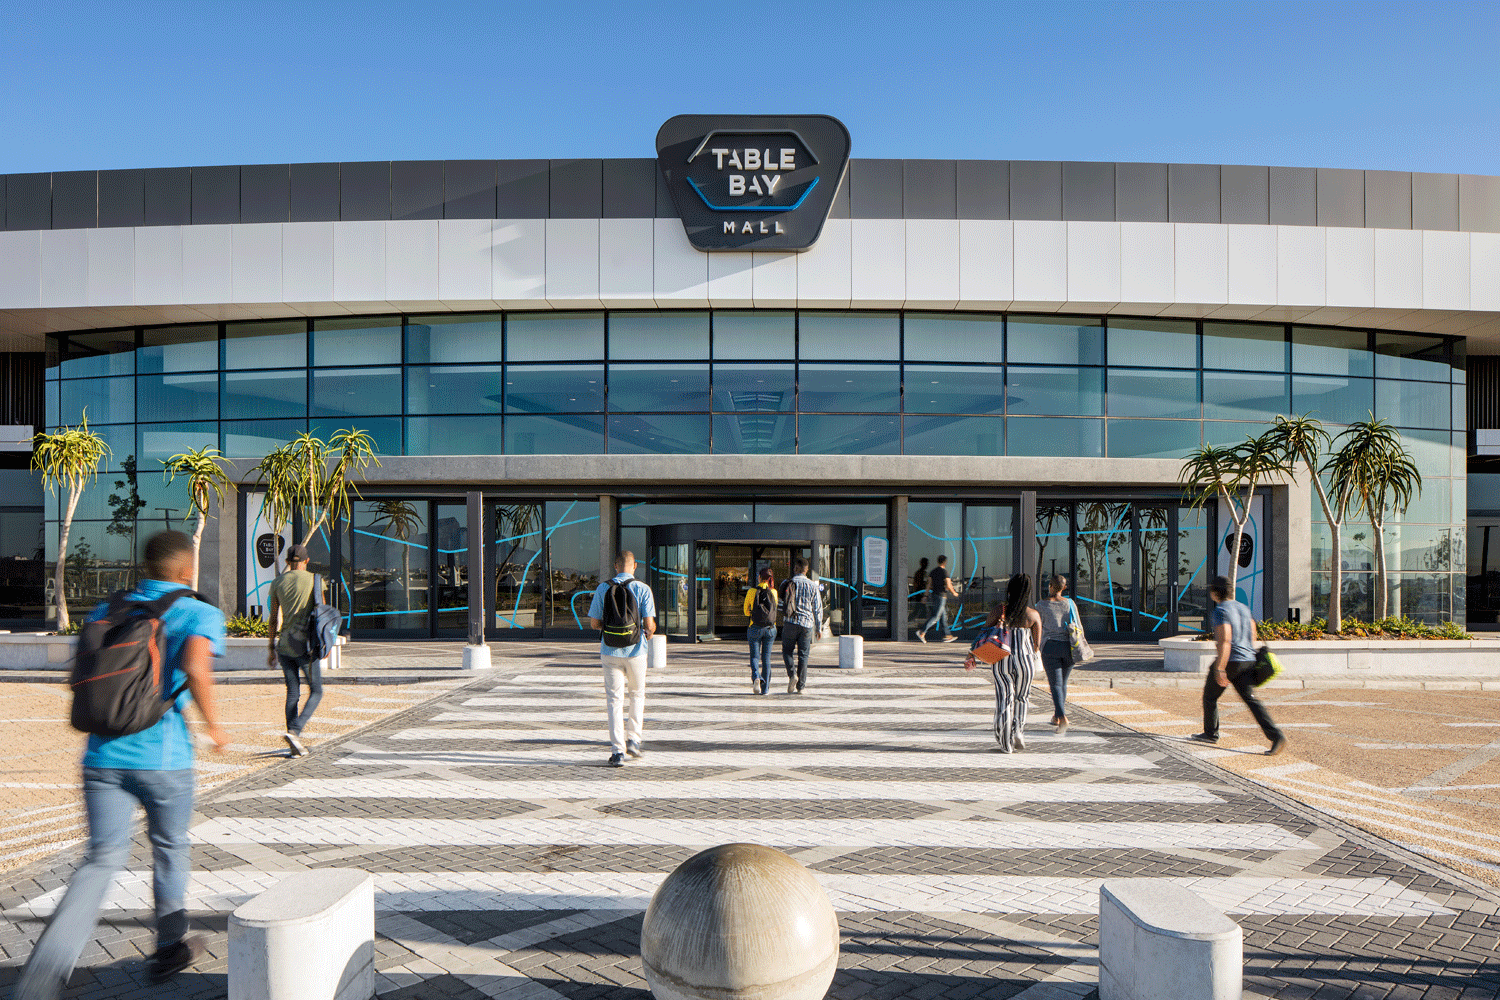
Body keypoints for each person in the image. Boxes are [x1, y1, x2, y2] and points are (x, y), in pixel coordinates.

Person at [15, 531, 228, 1000]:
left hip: (102, 756)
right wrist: (215, 727)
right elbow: (196, 668)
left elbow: (81, 676)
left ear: (147, 567)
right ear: (186, 569)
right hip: (164, 759)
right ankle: (170, 947)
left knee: (101, 859)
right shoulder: (199, 611)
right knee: (170, 846)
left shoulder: (108, 609)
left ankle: (45, 971)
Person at [1192, 576, 1286, 755]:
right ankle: (1276, 736)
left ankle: (1210, 734)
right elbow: (1253, 634)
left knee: (1210, 697)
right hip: (1248, 659)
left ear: (1215, 592)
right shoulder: (1243, 608)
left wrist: (1220, 668)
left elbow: (1225, 640)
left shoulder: (1221, 610)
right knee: (1252, 701)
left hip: (1231, 661)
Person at [587, 551, 657, 766]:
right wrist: (647, 634)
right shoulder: (643, 588)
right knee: (637, 694)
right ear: (634, 566)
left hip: (610, 652)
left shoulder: (603, 588)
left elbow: (594, 623)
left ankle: (617, 751)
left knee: (614, 700)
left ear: (615, 566)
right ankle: (634, 741)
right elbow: (650, 624)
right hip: (637, 652)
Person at [968, 573, 1039, 752]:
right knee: (1022, 697)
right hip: (1025, 660)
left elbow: (984, 633)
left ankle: (1005, 744)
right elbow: (1037, 645)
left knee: (1004, 699)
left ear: (1010, 590)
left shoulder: (1000, 610)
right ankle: (1019, 731)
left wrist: (971, 655)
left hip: (1002, 659)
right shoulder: (1033, 615)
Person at [266, 543, 324, 757]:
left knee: (293, 692)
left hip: (284, 645)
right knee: (316, 690)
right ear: (306, 561)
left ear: (289, 563)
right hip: (306, 646)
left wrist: (271, 648)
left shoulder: (277, 582)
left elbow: (273, 619)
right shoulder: (315, 580)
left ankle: (294, 742)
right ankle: (295, 731)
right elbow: (322, 614)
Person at [1034, 574, 1079, 734]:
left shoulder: (1041, 605)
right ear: (1064, 588)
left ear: (1050, 586)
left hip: (1050, 647)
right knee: (1062, 683)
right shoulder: (1070, 604)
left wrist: (1036, 645)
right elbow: (1078, 625)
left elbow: (1036, 626)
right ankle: (1056, 715)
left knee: (1055, 684)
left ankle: (1062, 717)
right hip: (1069, 647)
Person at [780, 558, 823, 694]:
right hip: (807, 624)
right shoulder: (812, 586)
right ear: (806, 570)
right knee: (803, 655)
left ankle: (792, 674)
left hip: (790, 622)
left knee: (787, 651)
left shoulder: (787, 583)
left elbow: (781, 603)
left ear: (795, 569)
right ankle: (801, 686)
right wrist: (819, 627)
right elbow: (817, 608)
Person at [742, 567, 778, 695]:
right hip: (769, 628)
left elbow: (745, 611)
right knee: (766, 658)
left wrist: (752, 613)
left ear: (759, 577)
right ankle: (766, 689)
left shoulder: (752, 591)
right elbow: (774, 610)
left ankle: (756, 677)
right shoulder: (773, 592)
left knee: (755, 656)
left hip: (754, 628)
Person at [917, 554, 959, 643]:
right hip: (941, 596)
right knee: (936, 617)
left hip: (934, 596)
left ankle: (947, 635)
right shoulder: (945, 572)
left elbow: (928, 585)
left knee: (943, 617)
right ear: (945, 562)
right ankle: (922, 632)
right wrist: (954, 593)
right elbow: (948, 585)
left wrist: (925, 596)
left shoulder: (933, 572)